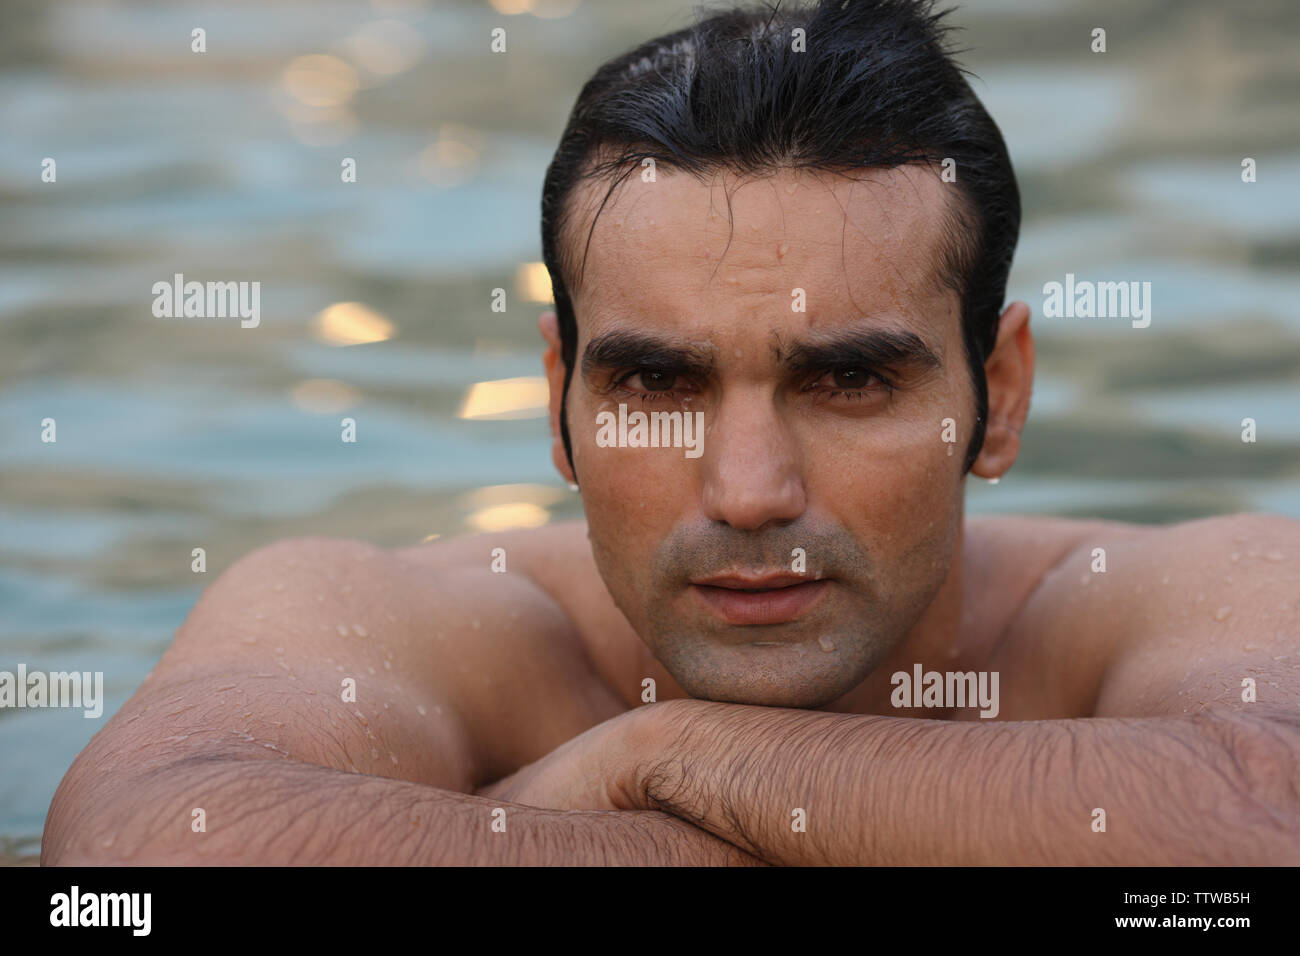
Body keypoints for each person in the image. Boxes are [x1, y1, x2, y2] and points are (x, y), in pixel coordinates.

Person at [43, 0, 1299, 866]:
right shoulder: (394, 618)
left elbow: (1270, 821)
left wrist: (661, 755)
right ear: (558, 404)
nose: (748, 491)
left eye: (847, 380)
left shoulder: (1186, 595)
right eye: (656, 383)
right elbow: (131, 860)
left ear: (999, 393)